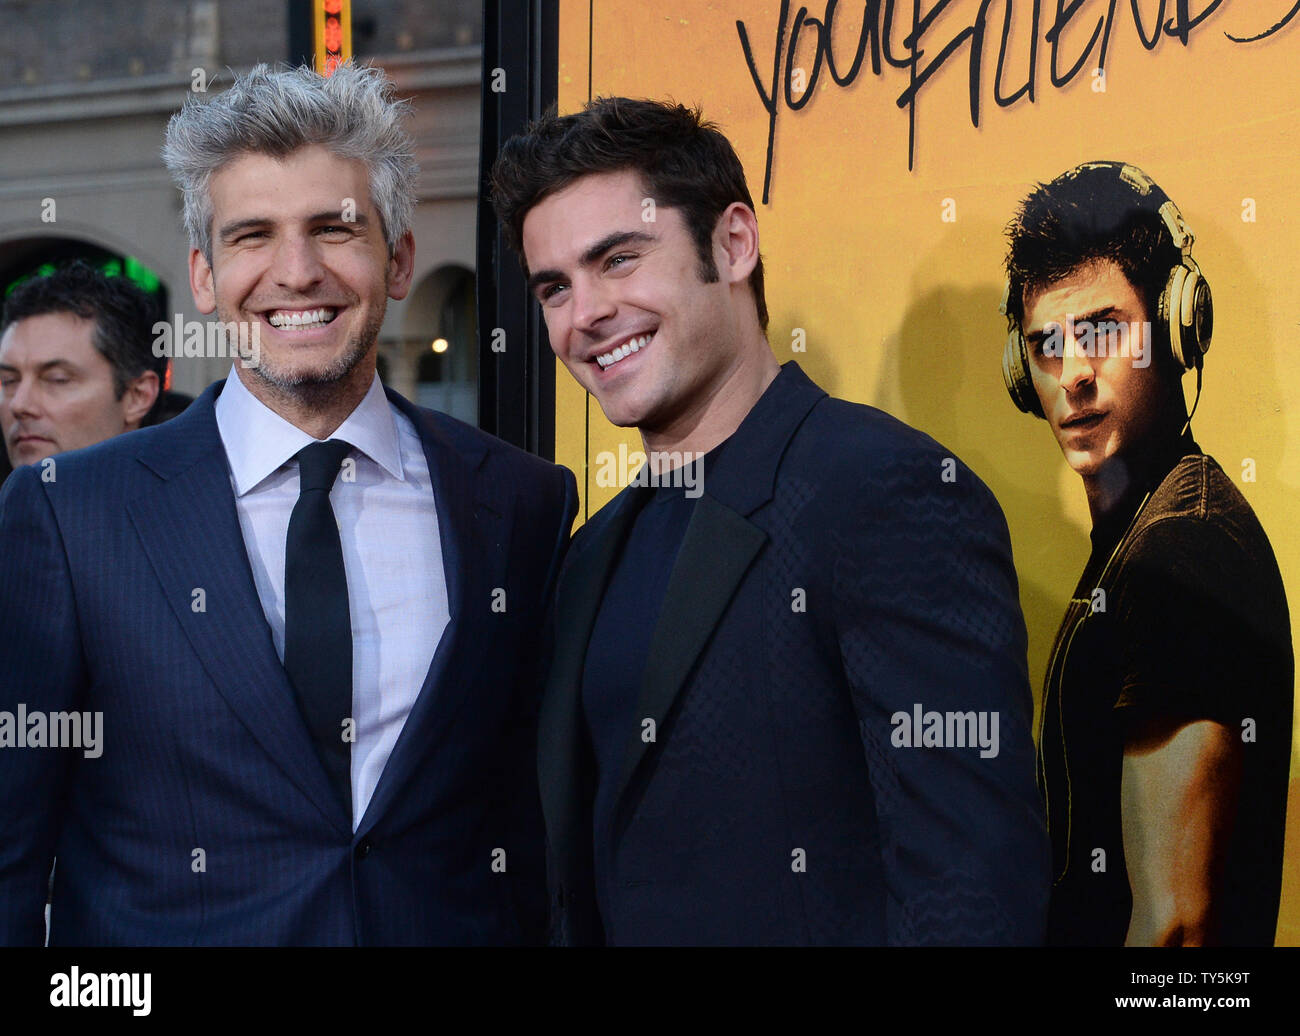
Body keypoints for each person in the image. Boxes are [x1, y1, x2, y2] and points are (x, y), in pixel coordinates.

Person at [0, 62, 576, 946]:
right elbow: (12, 841)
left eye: (334, 229)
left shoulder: (521, 502)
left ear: (399, 259)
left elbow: (535, 820)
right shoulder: (70, 514)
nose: (296, 271)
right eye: (253, 236)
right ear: (204, 276)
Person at [490, 97, 1049, 946]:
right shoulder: (589, 555)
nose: (586, 313)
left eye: (619, 260)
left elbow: (969, 887)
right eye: (555, 287)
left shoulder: (884, 493)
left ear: (734, 243)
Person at [1000, 161, 1293, 945]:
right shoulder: (1141, 535)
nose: (1075, 377)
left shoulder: (1181, 547)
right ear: (1019, 372)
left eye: (1101, 331)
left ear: (1176, 325)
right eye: (1047, 345)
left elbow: (1176, 931)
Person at [0, 261, 166, 471]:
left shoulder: (198, 499)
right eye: (8, 381)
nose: (19, 405)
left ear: (137, 396)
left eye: (57, 379)